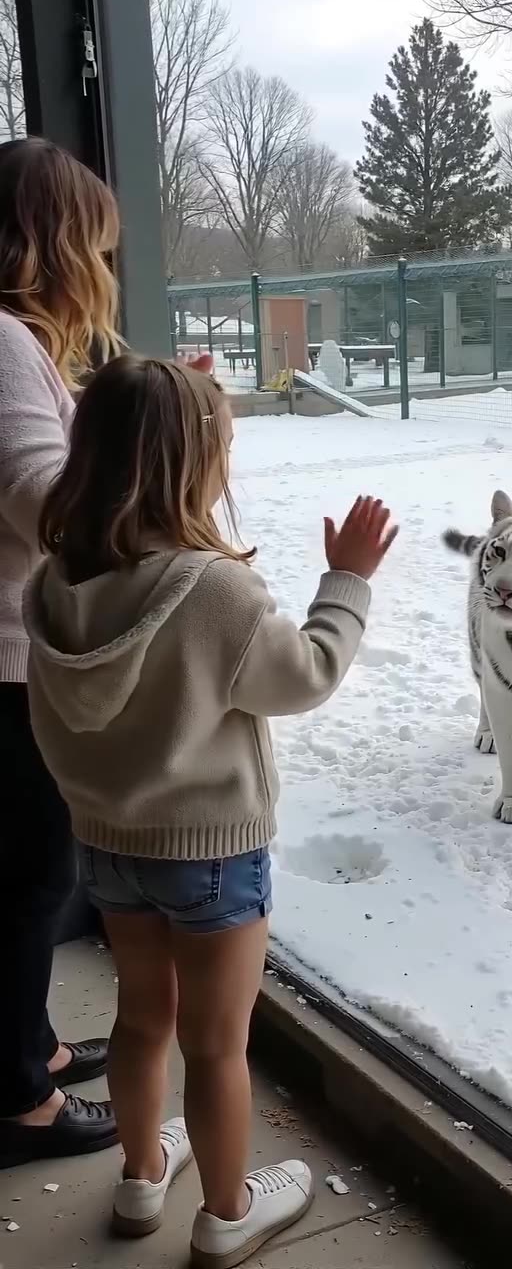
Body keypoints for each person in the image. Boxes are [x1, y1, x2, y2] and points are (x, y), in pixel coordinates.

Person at [23, 355, 397, 1267]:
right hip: (213, 857)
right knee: (219, 1045)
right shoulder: (214, 590)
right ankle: (229, 1215)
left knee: (143, 1021)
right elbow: (303, 674)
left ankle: (144, 1175)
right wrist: (345, 581)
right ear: (194, 465)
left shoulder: (51, 582)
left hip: (107, 849)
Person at [0, 136, 124, 1166]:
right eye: (96, 244)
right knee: (28, 878)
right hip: (3, 668)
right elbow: (43, 498)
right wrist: (152, 471)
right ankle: (15, 1101)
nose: (105, 270)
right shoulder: (2, 340)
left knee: (25, 873)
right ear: (48, 241)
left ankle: (28, 1041)